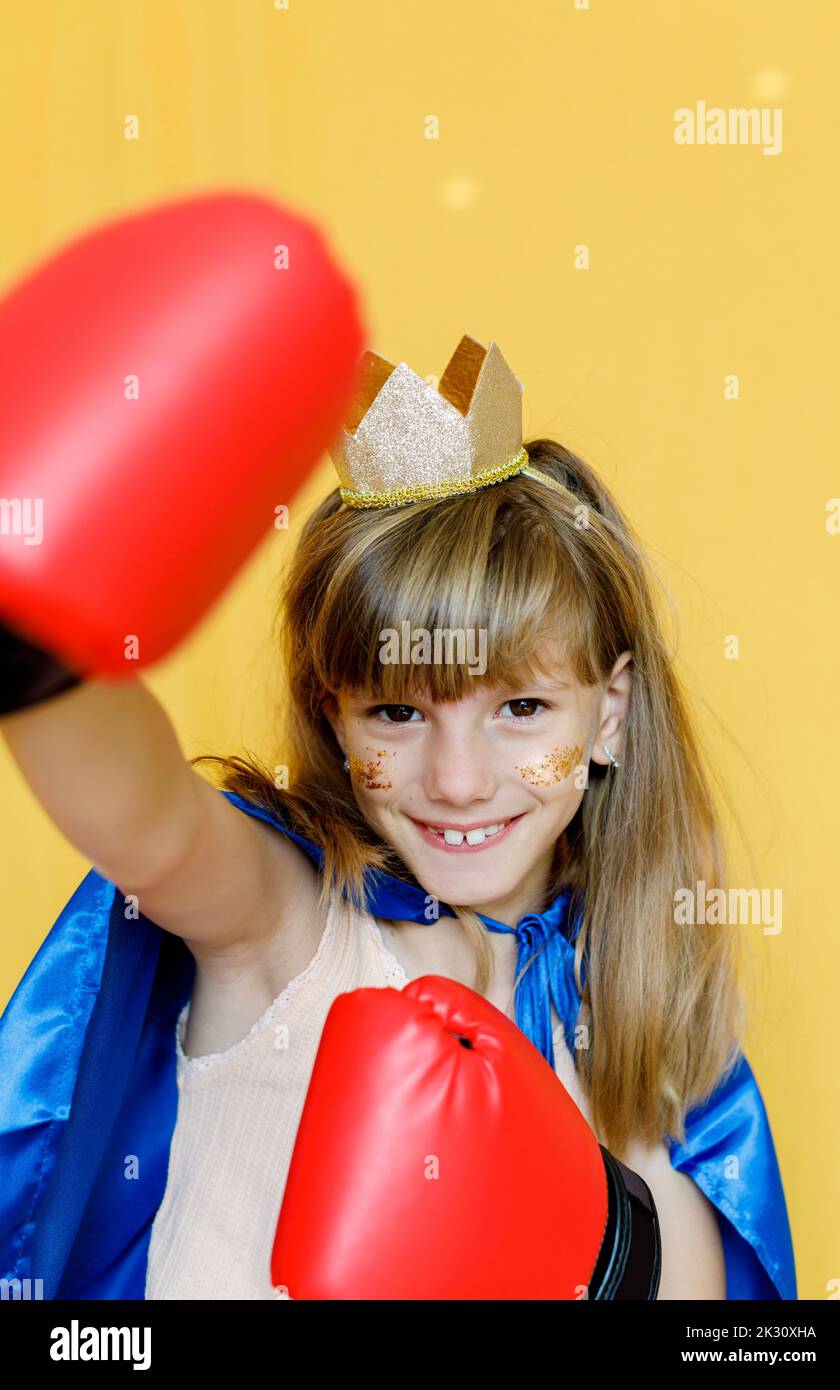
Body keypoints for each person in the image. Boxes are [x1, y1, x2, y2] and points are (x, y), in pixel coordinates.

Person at [0, 335, 796, 1300]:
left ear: (610, 714)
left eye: (520, 708)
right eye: (398, 712)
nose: (457, 781)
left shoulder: (640, 1050)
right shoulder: (287, 924)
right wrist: (39, 620)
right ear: (332, 715)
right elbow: (150, 823)